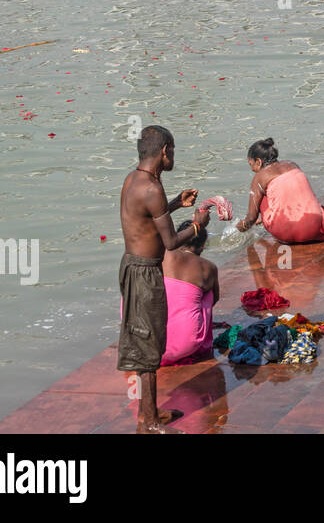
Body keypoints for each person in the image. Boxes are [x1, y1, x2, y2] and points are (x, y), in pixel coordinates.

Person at [118, 125, 211, 433]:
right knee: (151, 342)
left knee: (144, 338)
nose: (174, 156)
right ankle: (150, 421)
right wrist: (197, 225)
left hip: (131, 265)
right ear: (164, 151)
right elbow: (171, 242)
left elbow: (148, 217)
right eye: (173, 151)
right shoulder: (152, 188)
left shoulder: (134, 180)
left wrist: (175, 204)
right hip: (145, 271)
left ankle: (149, 412)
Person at [235, 138, 324, 244]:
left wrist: (241, 227)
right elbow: (294, 199)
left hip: (283, 232)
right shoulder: (292, 165)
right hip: (312, 228)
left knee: (262, 195)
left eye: (251, 164)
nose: (252, 169)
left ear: (258, 161)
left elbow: (251, 218)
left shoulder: (259, 177)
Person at [160, 219, 218, 366]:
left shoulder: (161, 254)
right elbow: (215, 299)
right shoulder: (209, 267)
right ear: (203, 245)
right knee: (207, 292)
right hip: (186, 346)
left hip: (146, 344)